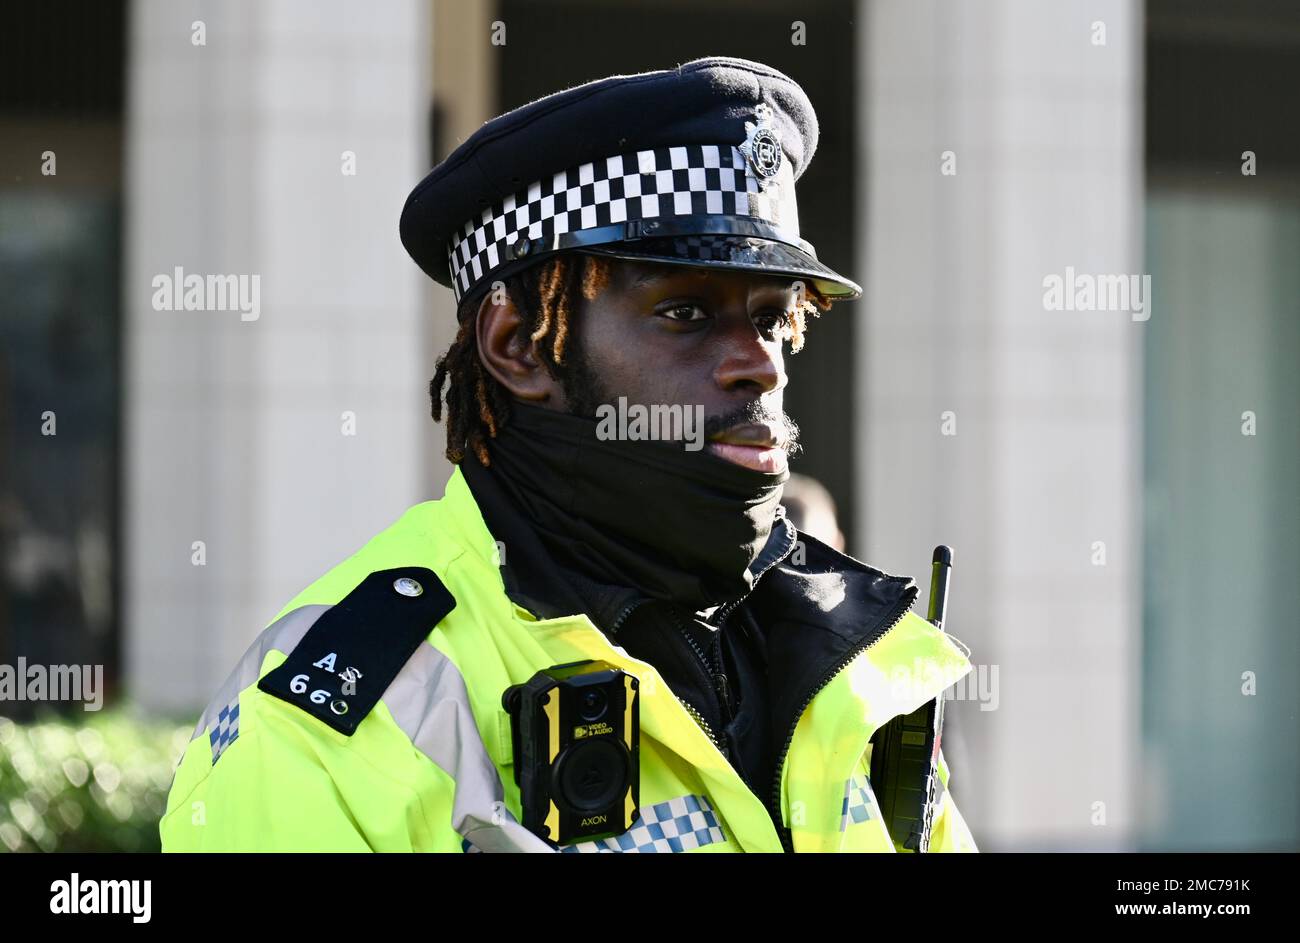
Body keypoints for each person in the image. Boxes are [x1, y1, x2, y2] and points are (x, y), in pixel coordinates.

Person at [161, 55, 977, 853]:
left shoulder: (857, 660)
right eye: (686, 312)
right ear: (516, 345)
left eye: (771, 319)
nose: (759, 363)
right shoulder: (331, 727)